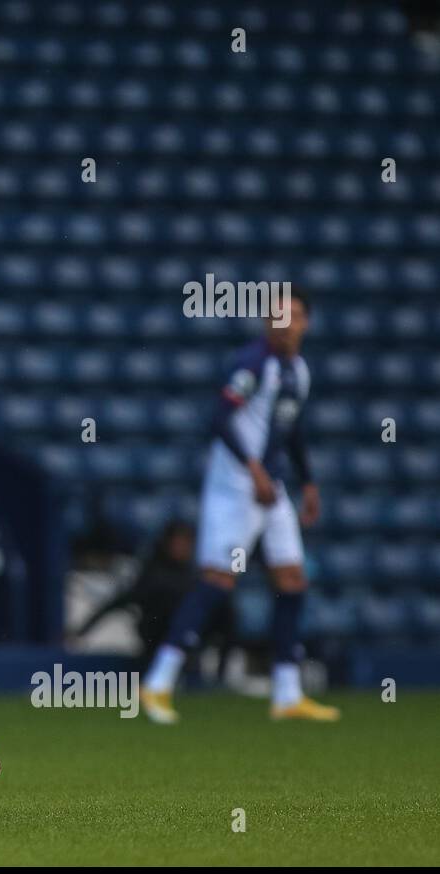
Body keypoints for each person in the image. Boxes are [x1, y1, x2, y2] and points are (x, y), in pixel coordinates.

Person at [140, 287, 339, 723]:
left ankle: (287, 693)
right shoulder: (252, 364)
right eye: (278, 317)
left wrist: (308, 483)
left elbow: (293, 430)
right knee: (217, 580)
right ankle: (157, 683)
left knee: (292, 579)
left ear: (306, 323)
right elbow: (219, 418)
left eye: (294, 317)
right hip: (235, 490)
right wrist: (253, 470)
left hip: (274, 489)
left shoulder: (299, 371)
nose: (285, 325)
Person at [72, 519, 237, 675]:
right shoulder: (153, 574)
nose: (182, 548)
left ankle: (218, 676)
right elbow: (118, 602)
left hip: (190, 646)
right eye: (178, 542)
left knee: (225, 609)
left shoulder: (196, 576)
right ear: (167, 543)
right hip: (156, 644)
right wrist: (82, 630)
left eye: (187, 542)